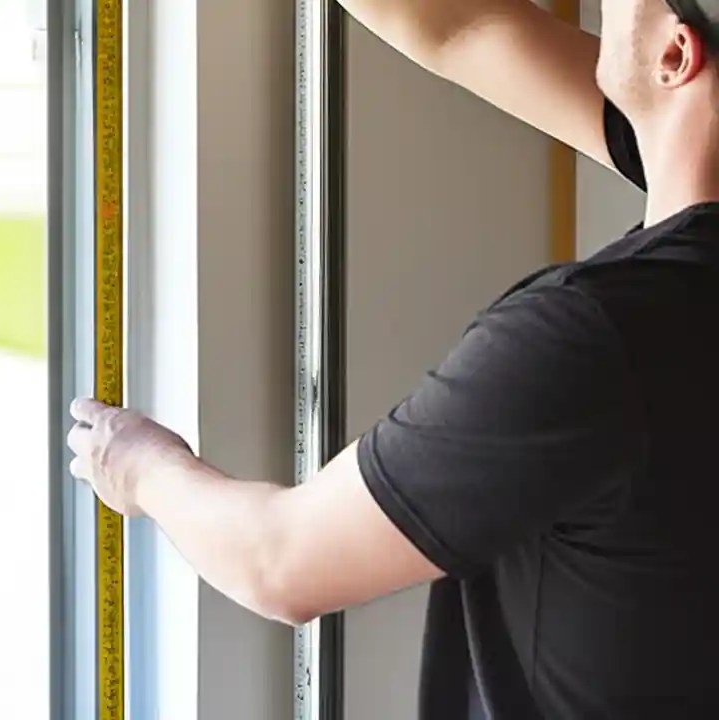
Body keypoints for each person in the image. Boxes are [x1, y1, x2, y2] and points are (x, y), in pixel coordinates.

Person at [67, 0, 719, 717]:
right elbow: (460, 27)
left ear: (675, 55)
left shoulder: (597, 338)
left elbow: (279, 561)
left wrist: (139, 467)